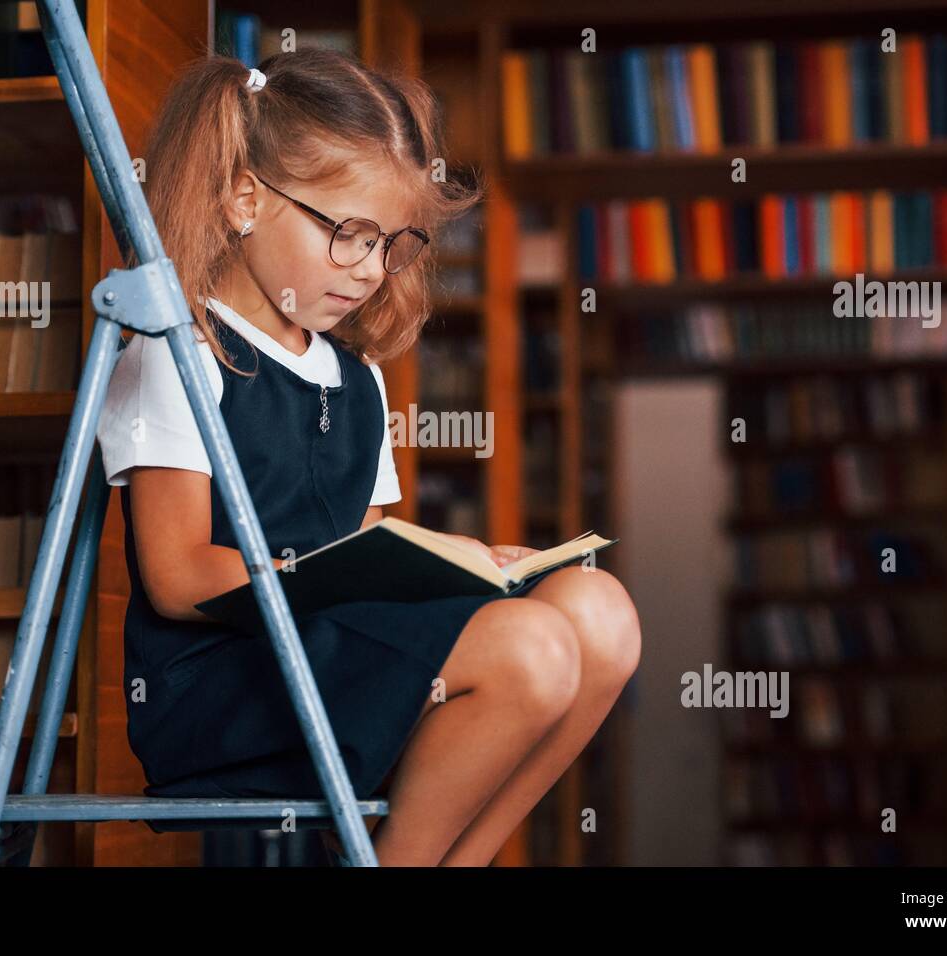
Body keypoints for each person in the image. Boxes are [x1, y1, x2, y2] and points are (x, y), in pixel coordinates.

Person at [96, 50, 642, 867]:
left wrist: (466, 569)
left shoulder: (357, 378)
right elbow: (178, 580)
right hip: (227, 688)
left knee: (601, 617)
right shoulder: (182, 354)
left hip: (338, 662)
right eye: (348, 235)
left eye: (392, 244)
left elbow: (368, 563)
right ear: (247, 199)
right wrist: (376, 570)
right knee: (529, 648)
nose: (370, 270)